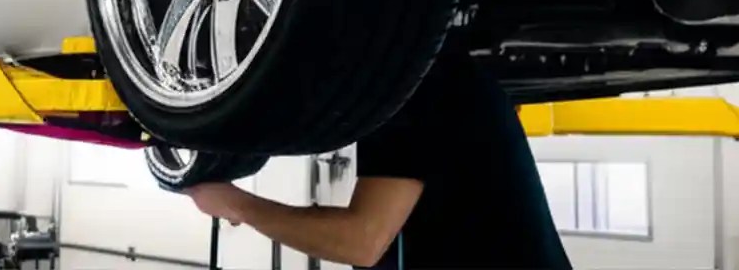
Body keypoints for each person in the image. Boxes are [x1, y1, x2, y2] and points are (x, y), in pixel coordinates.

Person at [185, 48, 571, 269]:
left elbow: (362, 241)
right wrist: (236, 204)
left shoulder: (422, 85)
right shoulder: (423, 83)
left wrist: (238, 205)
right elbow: (367, 241)